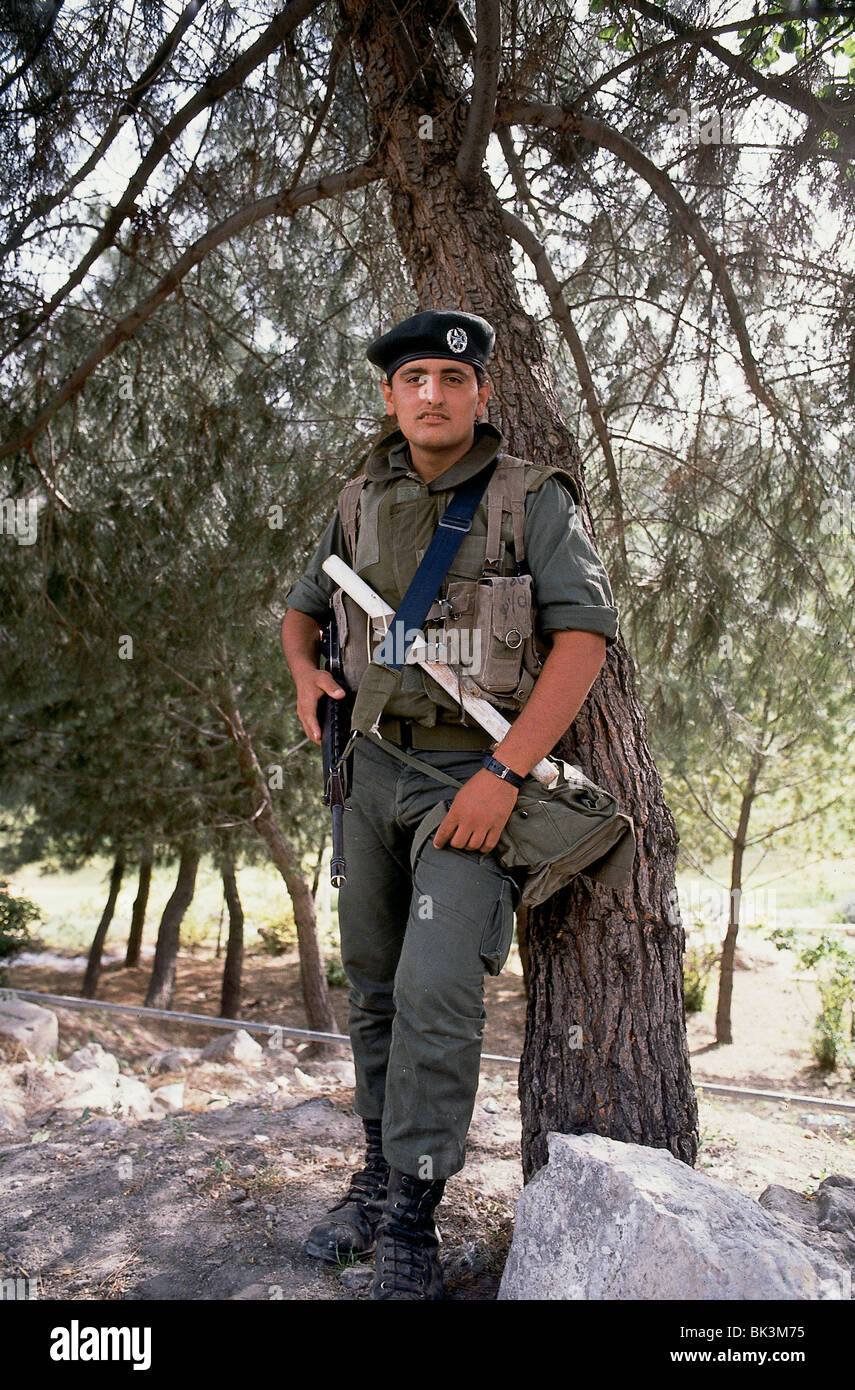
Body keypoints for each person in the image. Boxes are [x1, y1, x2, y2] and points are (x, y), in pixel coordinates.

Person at [280, 309, 619, 1300]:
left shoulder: (532, 500)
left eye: (452, 378)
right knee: (376, 989)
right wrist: (305, 673)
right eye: (413, 377)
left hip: (474, 782)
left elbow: (584, 641)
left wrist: (506, 772)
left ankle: (413, 1224)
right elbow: (305, 607)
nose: (432, 393)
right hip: (371, 776)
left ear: (482, 395)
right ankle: (379, 1175)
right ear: (390, 396)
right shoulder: (356, 500)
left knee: (436, 987)